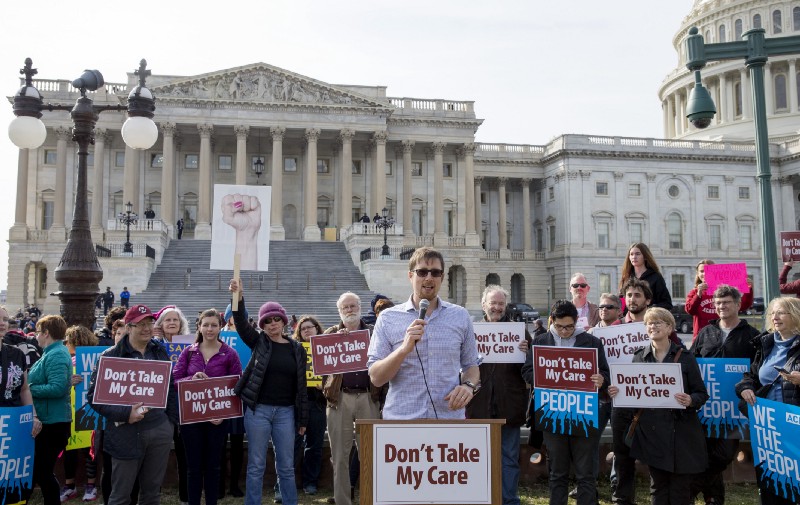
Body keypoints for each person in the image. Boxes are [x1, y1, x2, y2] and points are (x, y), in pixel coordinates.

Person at [609, 307, 709, 505]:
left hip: (680, 433)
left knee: (680, 489)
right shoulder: (639, 357)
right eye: (649, 323)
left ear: (670, 327)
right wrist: (618, 392)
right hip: (652, 432)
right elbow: (634, 392)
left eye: (657, 322)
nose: (652, 326)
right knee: (657, 487)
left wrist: (690, 400)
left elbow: (701, 394)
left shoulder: (686, 358)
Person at [368, 246, 480, 420]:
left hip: (448, 419)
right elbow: (376, 378)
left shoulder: (460, 316)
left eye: (435, 273)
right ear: (410, 275)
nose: (429, 277)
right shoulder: (388, 318)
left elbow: (471, 365)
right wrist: (403, 350)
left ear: (442, 277)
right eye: (422, 272)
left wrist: (468, 386)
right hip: (402, 420)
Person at [87, 304, 178, 505]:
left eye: (149, 323)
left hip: (158, 429)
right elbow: (93, 397)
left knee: (152, 493)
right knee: (121, 495)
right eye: (140, 324)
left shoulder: (159, 351)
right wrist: (125, 414)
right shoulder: (110, 356)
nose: (147, 328)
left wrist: (169, 423)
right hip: (125, 433)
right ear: (128, 327)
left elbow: (170, 387)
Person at [227, 279, 308, 505]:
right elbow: (242, 322)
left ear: (283, 321)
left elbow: (301, 386)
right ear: (262, 325)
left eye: (276, 319)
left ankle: (290, 501)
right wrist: (238, 297)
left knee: (286, 466)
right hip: (258, 411)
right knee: (256, 465)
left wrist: (302, 418)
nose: (273, 324)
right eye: (267, 321)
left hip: (286, 413)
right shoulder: (258, 341)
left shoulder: (297, 348)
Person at [522, 300, 610, 505]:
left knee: (585, 474)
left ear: (576, 322)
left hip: (583, 413)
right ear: (552, 321)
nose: (564, 331)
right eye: (560, 326)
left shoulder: (592, 342)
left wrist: (602, 379)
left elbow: (605, 373)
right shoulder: (541, 340)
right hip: (553, 413)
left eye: (569, 326)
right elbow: (526, 371)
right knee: (557, 473)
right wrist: (544, 377)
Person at [691, 285, 759, 505]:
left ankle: (689, 490)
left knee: (723, 455)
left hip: (733, 410)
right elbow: (692, 362)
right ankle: (714, 499)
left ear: (738, 305)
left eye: (727, 302)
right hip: (705, 407)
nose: (721, 306)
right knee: (705, 453)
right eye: (718, 303)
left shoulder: (752, 336)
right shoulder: (706, 332)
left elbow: (757, 370)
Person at [466, 285, 529, 505]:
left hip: (508, 405)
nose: (497, 308)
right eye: (493, 303)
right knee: (476, 456)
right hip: (478, 404)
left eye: (501, 304)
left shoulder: (519, 332)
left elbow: (531, 370)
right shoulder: (471, 331)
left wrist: (527, 351)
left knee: (509, 458)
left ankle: (508, 499)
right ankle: (481, 497)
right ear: (484, 305)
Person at [173, 308, 242, 505]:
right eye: (206, 325)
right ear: (199, 326)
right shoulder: (189, 352)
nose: (210, 329)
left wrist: (223, 414)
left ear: (221, 327)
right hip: (191, 419)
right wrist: (191, 378)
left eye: (214, 325)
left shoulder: (229, 353)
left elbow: (237, 385)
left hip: (217, 419)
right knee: (193, 467)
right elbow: (176, 380)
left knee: (213, 466)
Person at [736, 297, 800, 505]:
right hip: (768, 427)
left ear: (796, 316)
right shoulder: (766, 344)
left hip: (794, 426)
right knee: (771, 483)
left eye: (782, 312)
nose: (775, 317)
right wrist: (745, 388)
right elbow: (751, 377)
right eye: (773, 313)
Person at [323, 292, 381, 505]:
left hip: (368, 397)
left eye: (353, 306)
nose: (350, 310)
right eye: (345, 307)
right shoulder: (331, 334)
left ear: (360, 307)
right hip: (340, 399)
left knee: (371, 453)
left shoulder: (375, 333)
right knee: (339, 457)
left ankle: (372, 499)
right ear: (340, 311)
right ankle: (343, 501)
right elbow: (319, 368)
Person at [27, 315, 72, 505]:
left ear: (46, 333)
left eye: (38, 331)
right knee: (40, 471)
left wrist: (29, 390)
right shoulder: (51, 352)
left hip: (53, 424)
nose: (36, 336)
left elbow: (58, 388)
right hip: (50, 421)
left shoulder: (57, 354)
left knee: (42, 472)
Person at [0, 313, 41, 505]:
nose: (2, 323)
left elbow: (24, 389)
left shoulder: (16, 354)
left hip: (14, 426)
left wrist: (33, 415)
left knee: (11, 485)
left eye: (4, 319)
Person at [151, 305, 190, 505]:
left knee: (185, 455)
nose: (172, 323)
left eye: (175, 320)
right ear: (161, 325)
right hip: (161, 405)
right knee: (156, 455)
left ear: (181, 323)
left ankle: (185, 497)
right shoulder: (152, 345)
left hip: (184, 404)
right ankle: (152, 495)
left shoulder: (191, 345)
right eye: (168, 320)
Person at [60, 325, 99, 503]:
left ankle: (87, 486)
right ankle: (71, 486)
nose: (65, 343)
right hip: (72, 411)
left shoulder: (93, 360)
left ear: (74, 341)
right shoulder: (64, 360)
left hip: (86, 410)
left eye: (67, 340)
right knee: (71, 449)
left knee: (87, 449)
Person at [292, 316, 326, 496]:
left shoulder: (327, 348)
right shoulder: (294, 349)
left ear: (317, 328)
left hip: (318, 402)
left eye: (309, 327)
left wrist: (325, 385)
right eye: (302, 328)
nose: (306, 330)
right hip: (297, 403)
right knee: (293, 444)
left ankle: (310, 482)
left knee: (315, 445)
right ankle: (286, 484)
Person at [686, 259, 753, 340]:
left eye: (708, 271)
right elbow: (690, 310)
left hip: (726, 335)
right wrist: (698, 295)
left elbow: (743, 306)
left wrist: (748, 289)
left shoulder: (725, 291)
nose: (705, 274)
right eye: (702, 271)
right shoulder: (694, 292)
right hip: (703, 338)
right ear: (698, 274)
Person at [218, 304, 246, 499]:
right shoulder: (217, 336)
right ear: (228, 318)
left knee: (237, 443)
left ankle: (235, 484)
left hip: (240, 396)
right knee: (218, 443)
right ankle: (219, 483)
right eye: (233, 316)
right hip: (218, 396)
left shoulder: (248, 336)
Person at [618, 243, 673, 311]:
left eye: (638, 254)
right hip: (630, 320)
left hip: (649, 318)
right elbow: (622, 300)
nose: (634, 257)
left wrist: (649, 310)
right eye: (631, 254)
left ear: (645, 257)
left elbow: (667, 303)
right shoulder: (626, 277)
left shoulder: (656, 277)